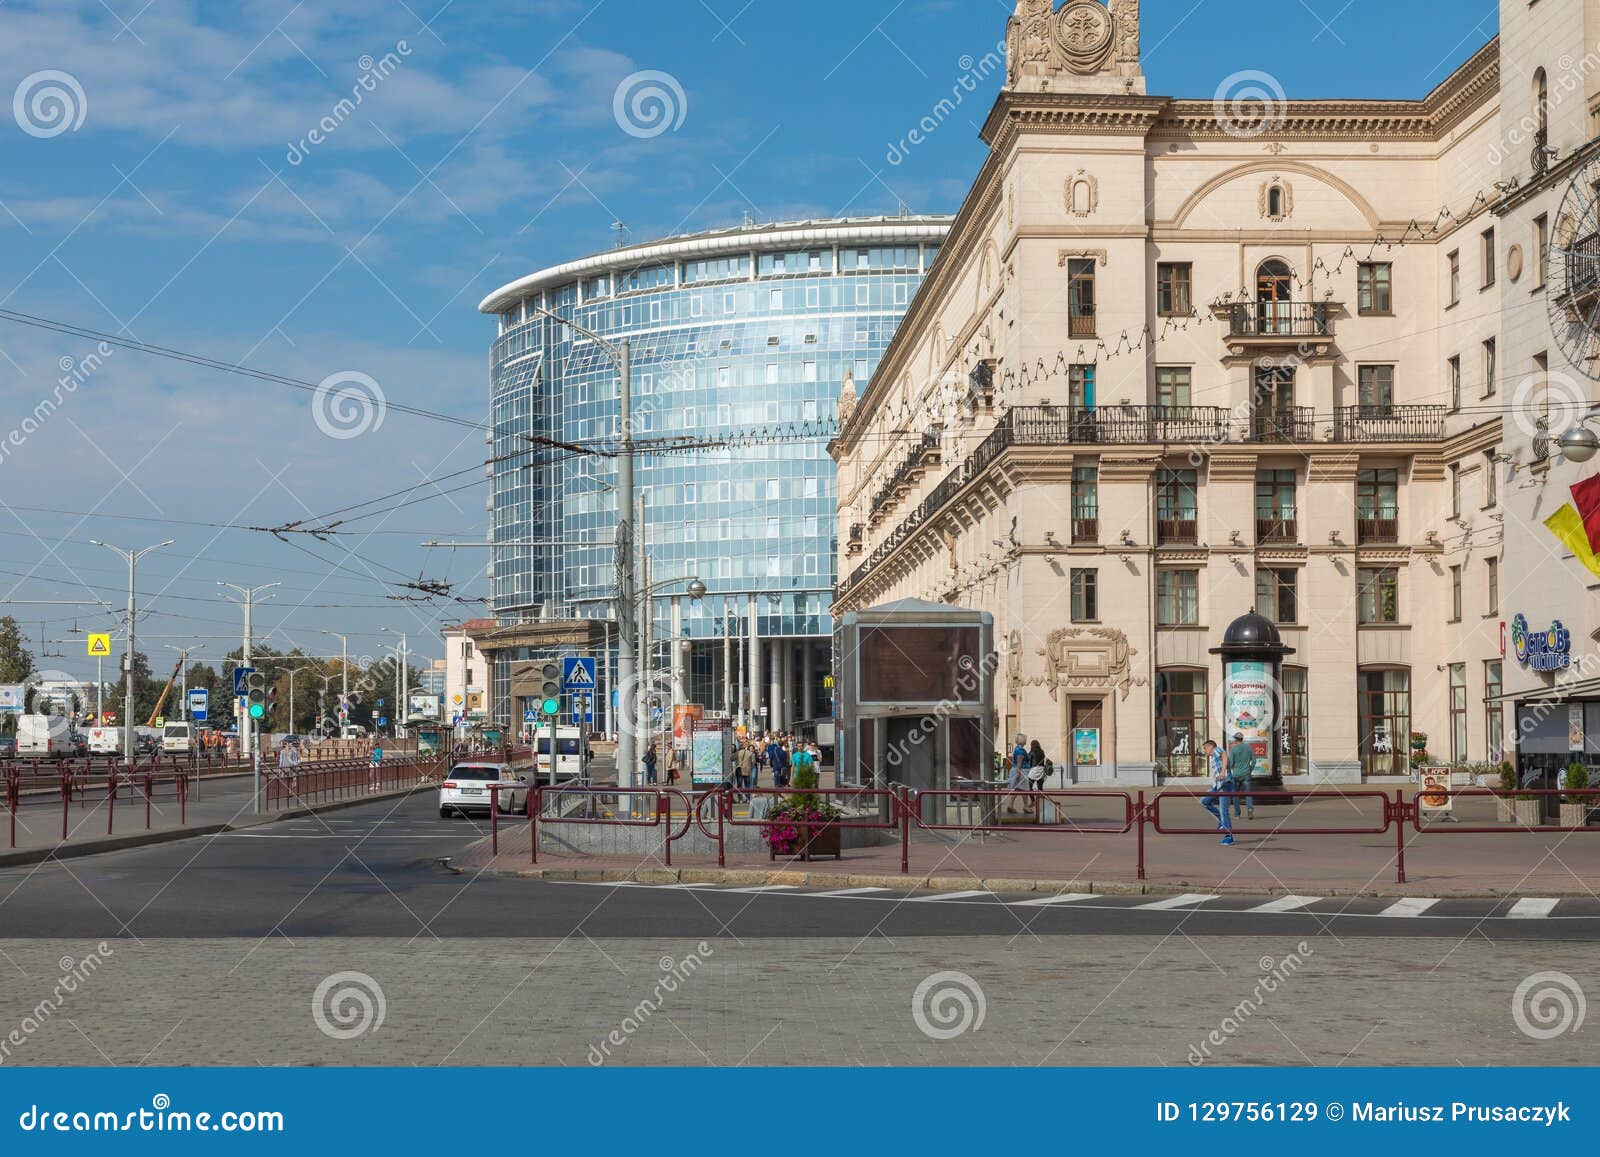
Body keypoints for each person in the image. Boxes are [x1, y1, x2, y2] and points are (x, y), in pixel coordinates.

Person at [1200, 739, 1234, 845]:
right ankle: (1220, 819)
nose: (1204, 751)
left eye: (1205, 748)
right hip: (1217, 785)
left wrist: (1223, 771)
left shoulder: (1217, 750)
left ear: (1211, 746)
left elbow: (1224, 756)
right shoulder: (1212, 757)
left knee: (1223, 809)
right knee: (1204, 801)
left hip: (1225, 783)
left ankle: (1229, 837)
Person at [1226, 731, 1257, 820]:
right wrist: (1249, 770)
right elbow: (1254, 761)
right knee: (1248, 794)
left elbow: (1231, 763)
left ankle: (1237, 814)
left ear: (1236, 739)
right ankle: (1250, 810)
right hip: (1246, 774)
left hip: (1236, 775)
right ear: (1242, 739)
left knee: (1235, 794)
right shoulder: (1248, 748)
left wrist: (1229, 769)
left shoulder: (1233, 749)